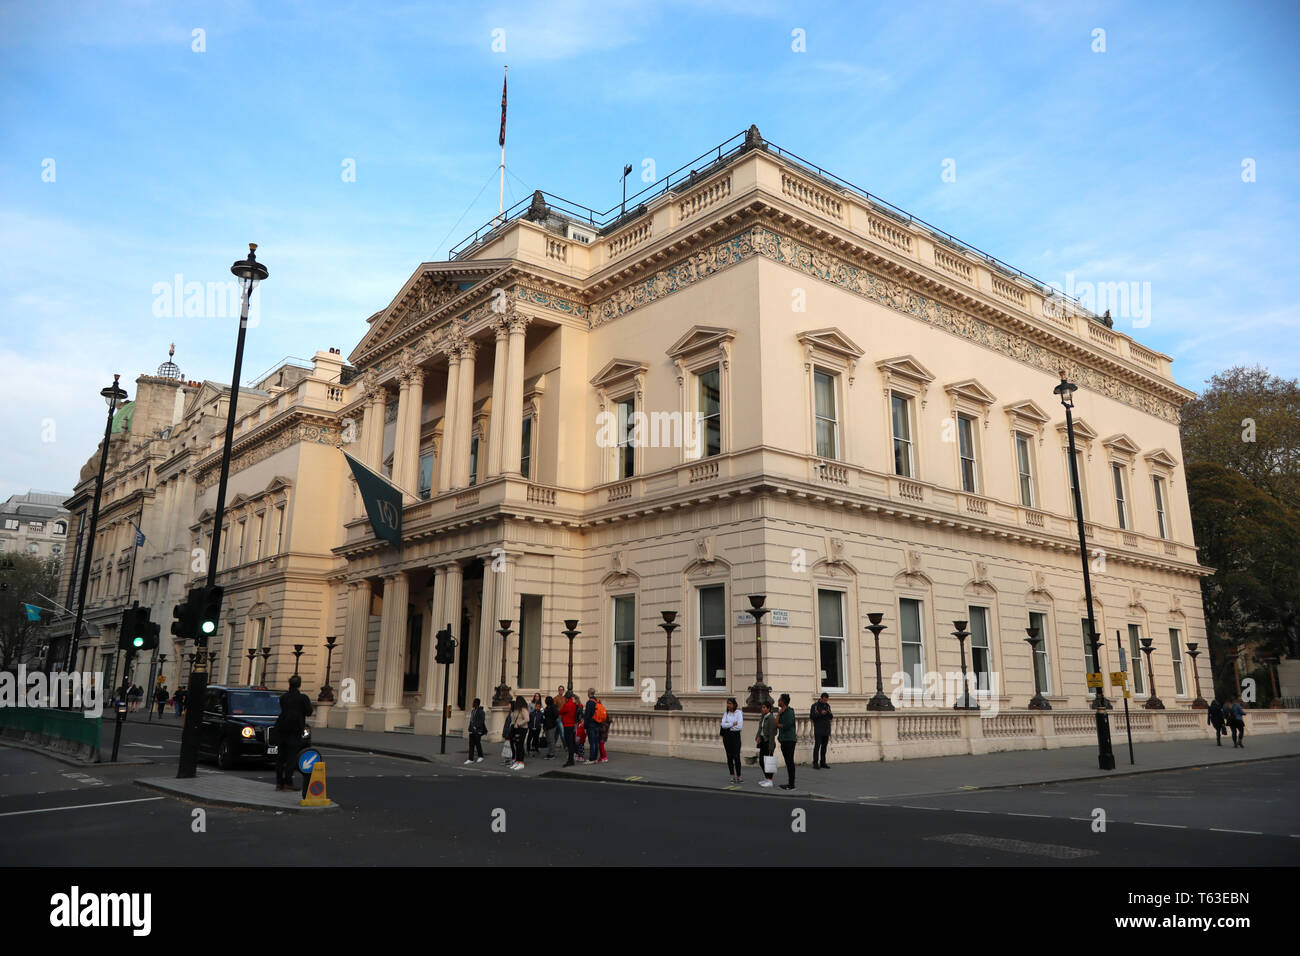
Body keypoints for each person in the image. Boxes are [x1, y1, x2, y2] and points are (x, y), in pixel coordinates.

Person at [273, 675, 313, 791]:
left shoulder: (284, 697)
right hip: (295, 730)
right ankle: (288, 782)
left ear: (289, 684)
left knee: (280, 757)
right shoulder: (303, 698)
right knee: (291, 757)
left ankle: (279, 783)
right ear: (299, 685)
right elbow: (309, 712)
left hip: (282, 729)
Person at [776, 692, 797, 790]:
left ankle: (791, 784)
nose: (778, 701)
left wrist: (780, 725)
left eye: (779, 700)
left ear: (783, 702)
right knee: (787, 761)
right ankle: (789, 783)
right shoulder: (780, 712)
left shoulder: (790, 711)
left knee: (790, 762)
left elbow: (788, 725)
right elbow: (776, 724)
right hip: (783, 739)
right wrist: (779, 715)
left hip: (790, 739)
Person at [721, 697, 744, 783]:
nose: (728, 705)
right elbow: (723, 725)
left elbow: (739, 726)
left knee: (736, 756)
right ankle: (732, 776)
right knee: (729, 756)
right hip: (727, 737)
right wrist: (732, 724)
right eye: (728, 703)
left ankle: (739, 776)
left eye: (730, 703)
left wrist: (728, 725)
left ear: (734, 704)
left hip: (735, 736)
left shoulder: (739, 713)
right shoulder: (726, 714)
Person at [755, 700, 776, 787]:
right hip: (763, 740)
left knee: (768, 761)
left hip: (768, 742)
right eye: (762, 707)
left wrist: (771, 747)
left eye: (764, 707)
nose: (762, 709)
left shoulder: (771, 718)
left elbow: (772, 733)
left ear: (769, 708)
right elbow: (760, 728)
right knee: (761, 761)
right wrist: (758, 736)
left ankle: (770, 780)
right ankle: (766, 778)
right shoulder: (763, 717)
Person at [810, 692, 833, 769]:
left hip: (826, 729)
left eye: (827, 700)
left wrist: (828, 713)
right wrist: (821, 713)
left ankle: (823, 762)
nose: (825, 701)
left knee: (824, 747)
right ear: (821, 698)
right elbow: (812, 716)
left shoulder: (827, 706)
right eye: (824, 700)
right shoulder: (815, 706)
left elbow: (831, 717)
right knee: (817, 746)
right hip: (818, 729)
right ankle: (815, 763)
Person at [509, 695, 530, 770]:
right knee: (517, 745)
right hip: (516, 729)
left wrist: (519, 723)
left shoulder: (523, 709)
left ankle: (521, 762)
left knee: (520, 745)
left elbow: (527, 719)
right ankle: (517, 761)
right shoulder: (516, 709)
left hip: (522, 729)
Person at [559, 691, 579, 766]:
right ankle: (571, 759)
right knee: (571, 743)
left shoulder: (567, 705)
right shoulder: (574, 705)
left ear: (567, 698)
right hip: (572, 725)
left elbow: (560, 711)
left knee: (569, 743)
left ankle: (570, 760)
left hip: (567, 725)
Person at [466, 698, 487, 763]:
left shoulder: (481, 712)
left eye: (473, 703)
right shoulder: (473, 711)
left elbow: (481, 721)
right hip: (472, 731)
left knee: (478, 744)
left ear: (476, 704)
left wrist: (476, 727)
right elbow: (471, 720)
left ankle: (480, 756)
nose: (472, 704)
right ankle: (470, 759)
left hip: (478, 731)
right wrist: (470, 728)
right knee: (471, 745)